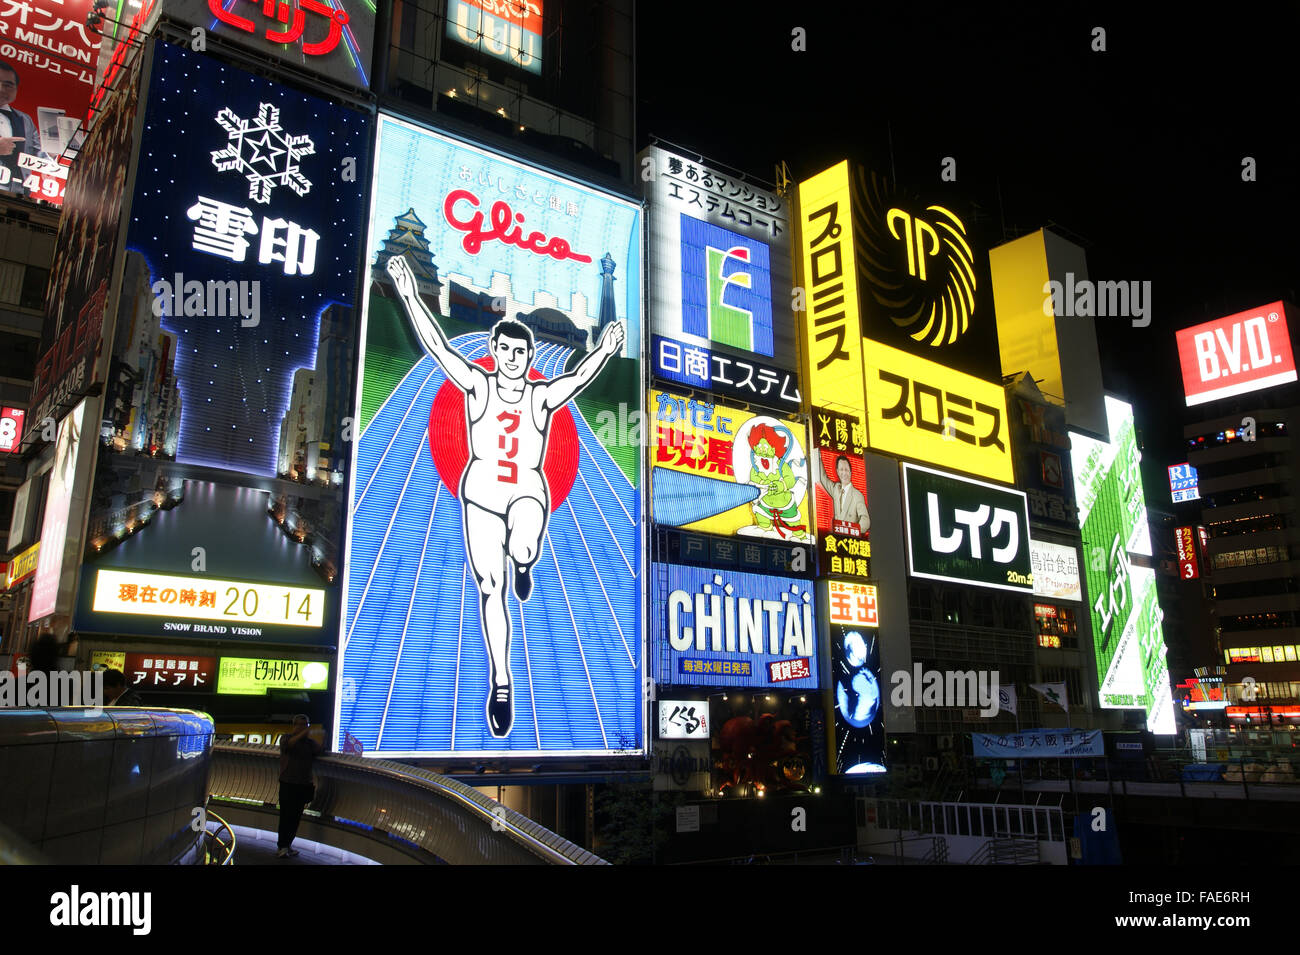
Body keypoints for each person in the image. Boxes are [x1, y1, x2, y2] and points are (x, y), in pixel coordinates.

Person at [386, 254, 624, 738]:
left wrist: (604, 349)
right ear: (495, 351)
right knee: (490, 591)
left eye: (522, 353)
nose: (514, 358)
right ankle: (501, 680)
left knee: (524, 544)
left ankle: (525, 560)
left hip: (526, 493)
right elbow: (436, 348)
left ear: (529, 358)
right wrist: (409, 294)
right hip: (481, 496)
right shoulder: (477, 385)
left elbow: (576, 380)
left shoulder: (539, 398)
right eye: (507, 350)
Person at [278, 715, 322, 858]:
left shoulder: (310, 744)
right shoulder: (286, 738)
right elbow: (289, 745)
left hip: (303, 785)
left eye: (305, 725)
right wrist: (305, 732)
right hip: (288, 783)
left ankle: (287, 845)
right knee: (286, 816)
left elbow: (320, 751)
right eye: (300, 724)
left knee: (296, 818)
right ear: (294, 725)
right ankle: (282, 846)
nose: (302, 727)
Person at [0, 61, 43, 197]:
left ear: (16, 90)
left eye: (8, 85)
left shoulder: (25, 119)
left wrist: (54, 153)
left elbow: (38, 152)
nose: (1, 89)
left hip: (18, 192)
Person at [815, 452, 870, 534]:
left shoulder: (857, 495)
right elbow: (823, 478)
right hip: (836, 537)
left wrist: (855, 531)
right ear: (837, 471)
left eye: (846, 470)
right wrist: (818, 456)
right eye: (841, 469)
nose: (844, 473)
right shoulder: (836, 489)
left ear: (851, 472)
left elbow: (865, 519)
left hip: (850, 539)